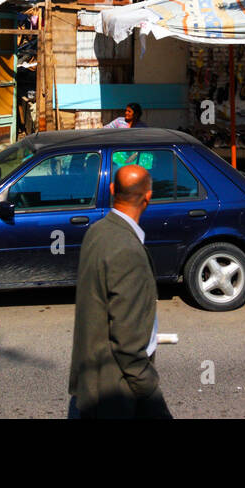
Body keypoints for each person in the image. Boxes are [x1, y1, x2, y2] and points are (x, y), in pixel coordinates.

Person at [68, 164, 171, 419]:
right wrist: (148, 388)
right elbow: (127, 340)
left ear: (113, 189)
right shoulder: (127, 250)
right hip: (116, 391)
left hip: (92, 382)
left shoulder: (98, 231)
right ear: (148, 197)